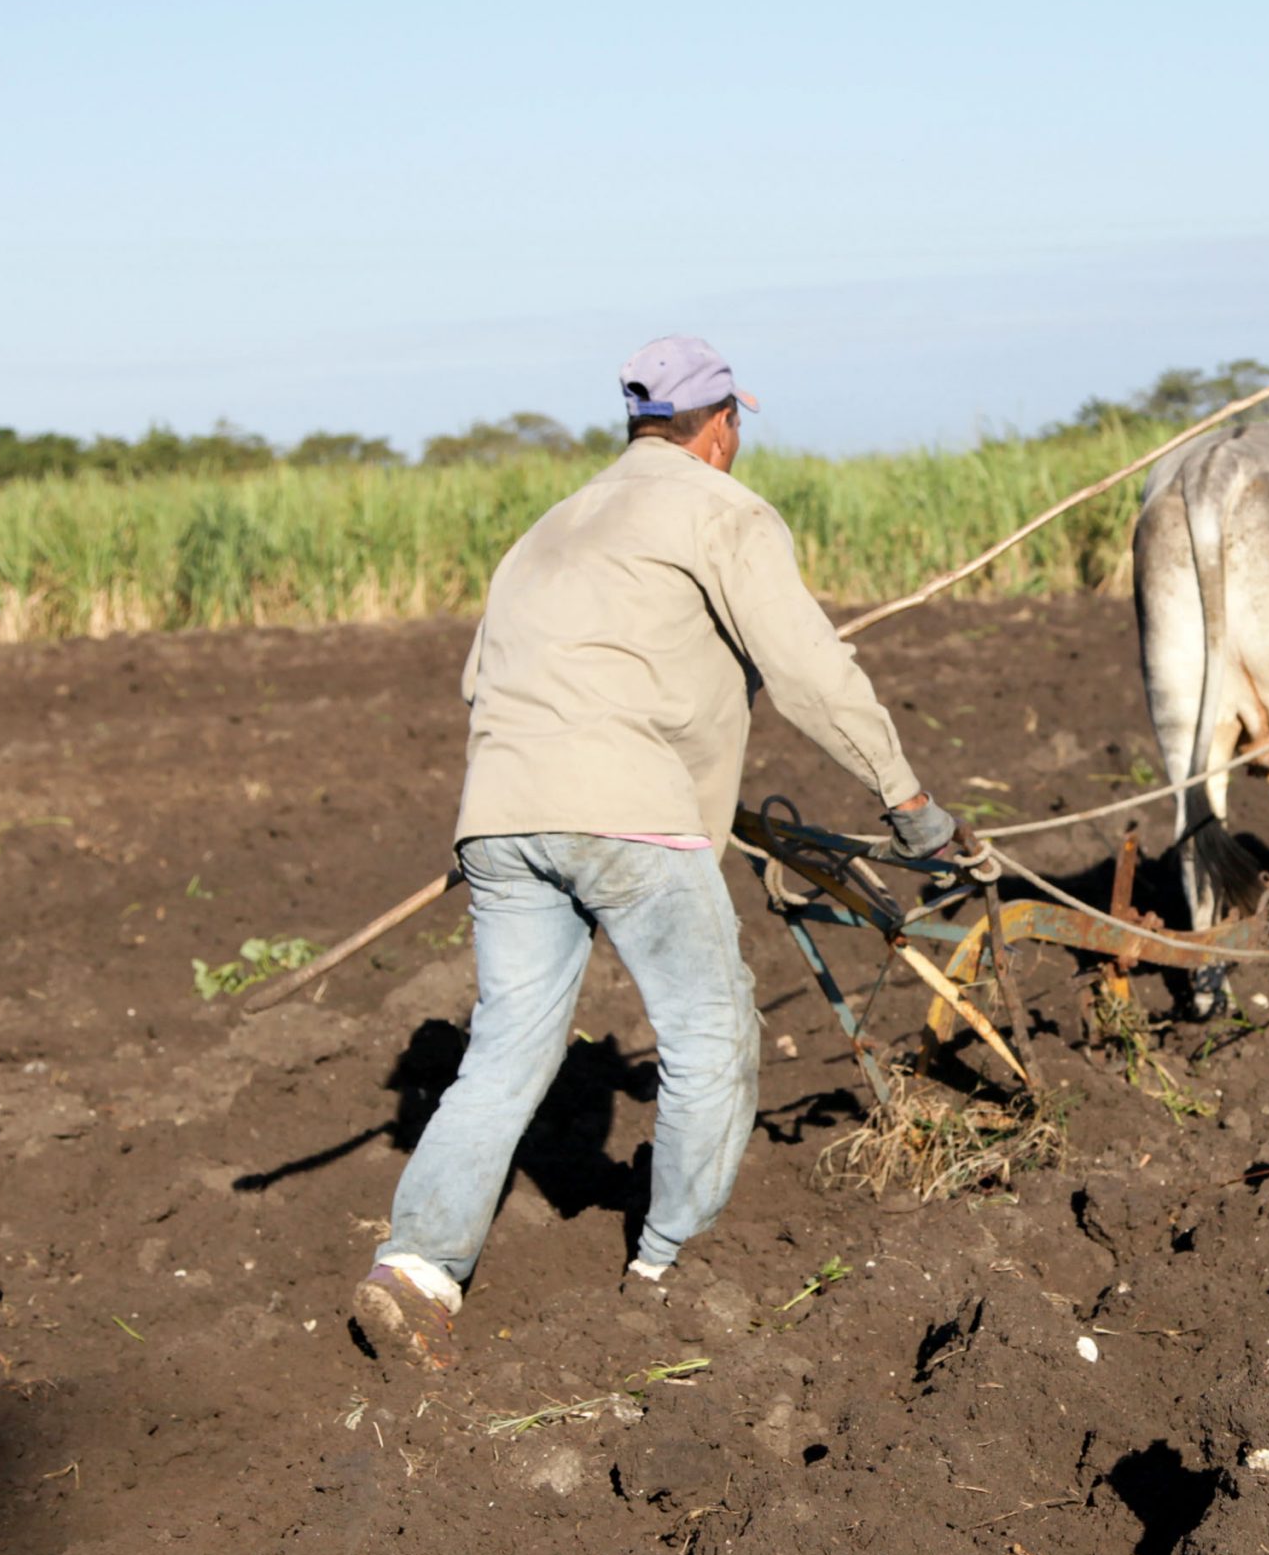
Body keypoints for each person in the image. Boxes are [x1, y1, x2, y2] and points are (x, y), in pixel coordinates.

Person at [354, 336, 957, 1372]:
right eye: (738, 423)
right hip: (629, 812)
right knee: (710, 1031)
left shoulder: (548, 527)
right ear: (719, 426)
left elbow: (479, 682)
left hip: (499, 813)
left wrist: (509, 819)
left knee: (504, 1050)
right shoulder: (722, 510)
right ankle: (671, 1269)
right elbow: (811, 670)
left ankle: (415, 1267)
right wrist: (908, 800)